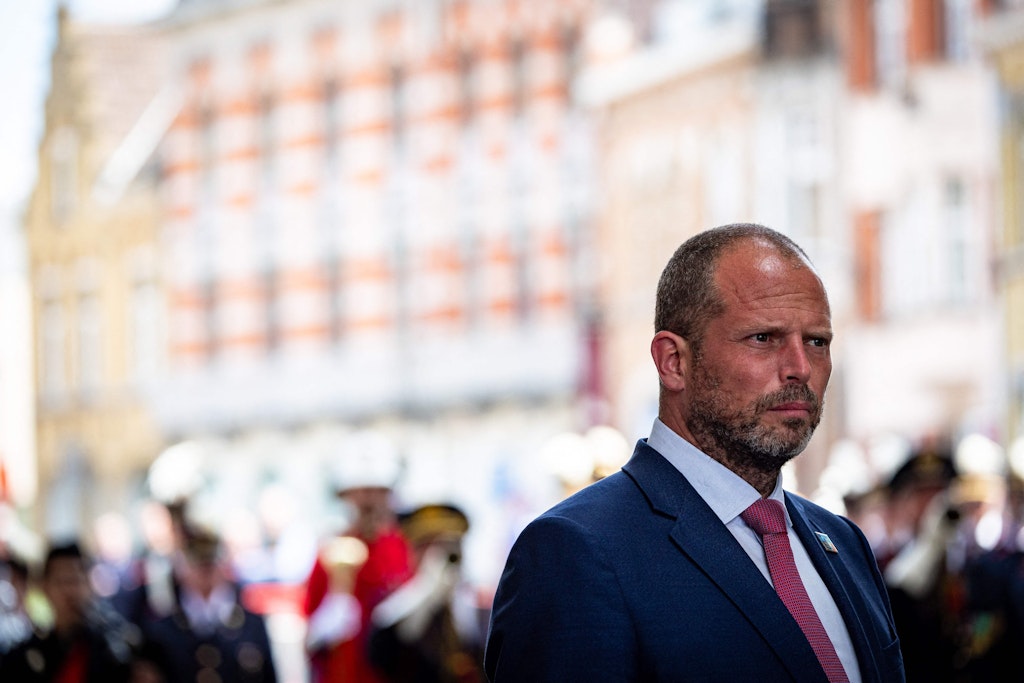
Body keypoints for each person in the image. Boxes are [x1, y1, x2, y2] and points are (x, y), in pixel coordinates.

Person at [484, 223, 905, 682]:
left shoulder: (845, 544)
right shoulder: (576, 553)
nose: (800, 368)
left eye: (817, 341)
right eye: (763, 338)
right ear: (674, 361)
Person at [302, 430, 414, 683]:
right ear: (346, 495)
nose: (368, 500)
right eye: (361, 491)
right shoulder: (328, 552)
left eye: (376, 491)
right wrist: (326, 623)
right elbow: (308, 635)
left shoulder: (405, 548)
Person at [141, 525, 278, 682]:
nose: (204, 573)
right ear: (180, 568)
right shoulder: (162, 631)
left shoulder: (252, 625)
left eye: (210, 565)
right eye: (198, 566)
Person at [368, 503, 487, 683]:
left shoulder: (476, 602)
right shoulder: (394, 601)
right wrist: (427, 591)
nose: (438, 555)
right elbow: (381, 654)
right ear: (412, 552)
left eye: (446, 546)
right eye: (426, 546)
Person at [0, 540, 143, 682]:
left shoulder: (113, 649)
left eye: (76, 580)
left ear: (90, 585)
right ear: (44, 587)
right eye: (62, 582)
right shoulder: (26, 656)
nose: (70, 591)